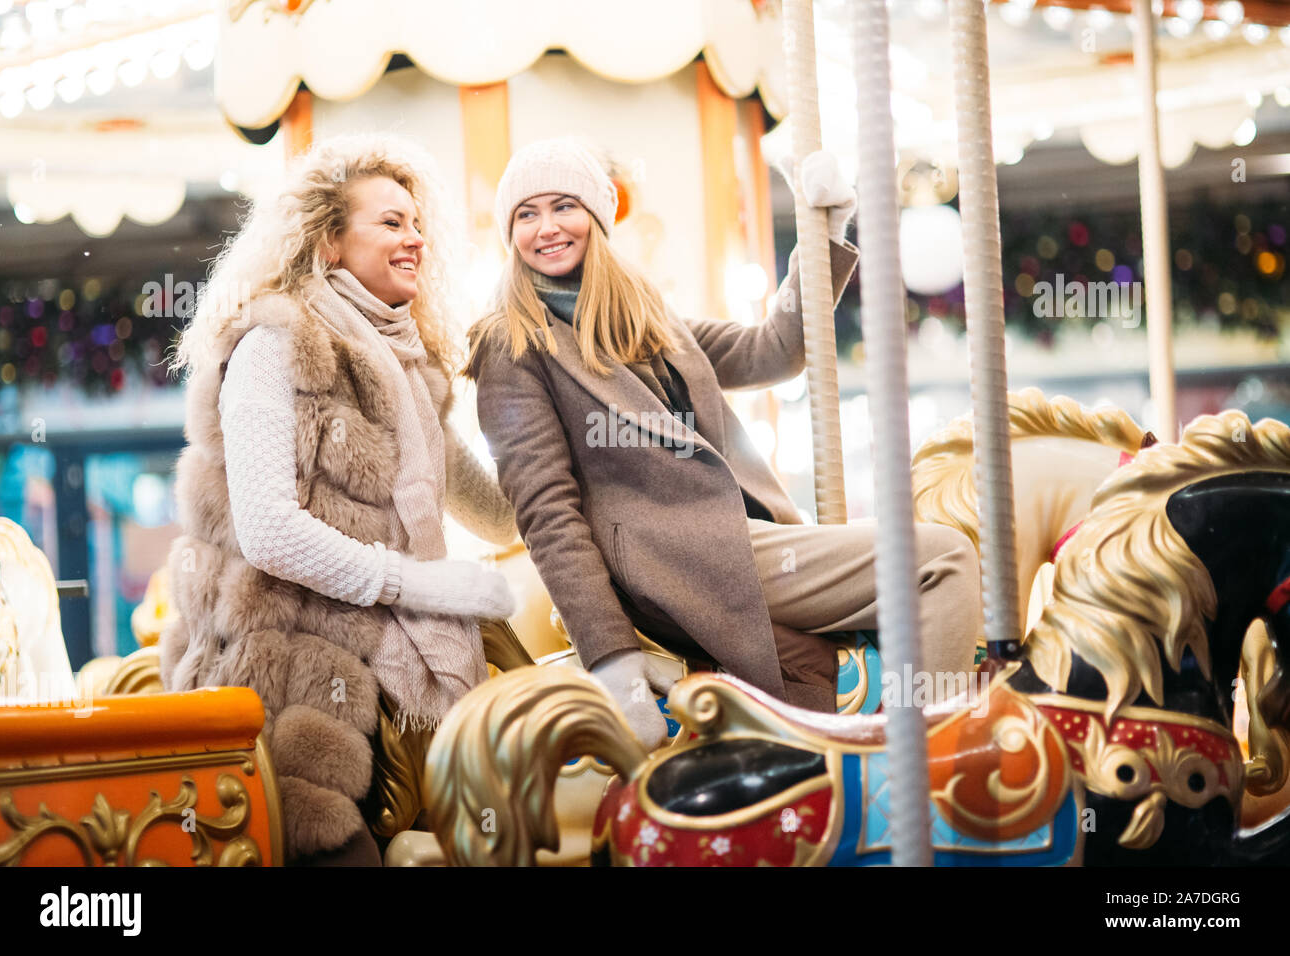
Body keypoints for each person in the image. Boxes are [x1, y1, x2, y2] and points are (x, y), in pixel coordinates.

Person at [466, 138, 981, 751]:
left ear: (596, 220)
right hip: (677, 561)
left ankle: (890, 750)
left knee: (919, 582)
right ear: (510, 232)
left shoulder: (643, 315)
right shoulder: (513, 344)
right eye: (526, 214)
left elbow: (774, 350)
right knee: (942, 557)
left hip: (736, 537)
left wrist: (824, 231)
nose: (546, 228)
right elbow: (547, 513)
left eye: (563, 207)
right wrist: (614, 663)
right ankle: (932, 773)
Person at [162, 133, 517, 865]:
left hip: (376, 658)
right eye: (390, 222)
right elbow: (268, 531)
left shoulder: (405, 366)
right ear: (328, 240)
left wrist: (549, 432)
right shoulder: (274, 345)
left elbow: (492, 507)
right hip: (288, 674)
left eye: (417, 223)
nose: (414, 238)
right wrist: (421, 582)